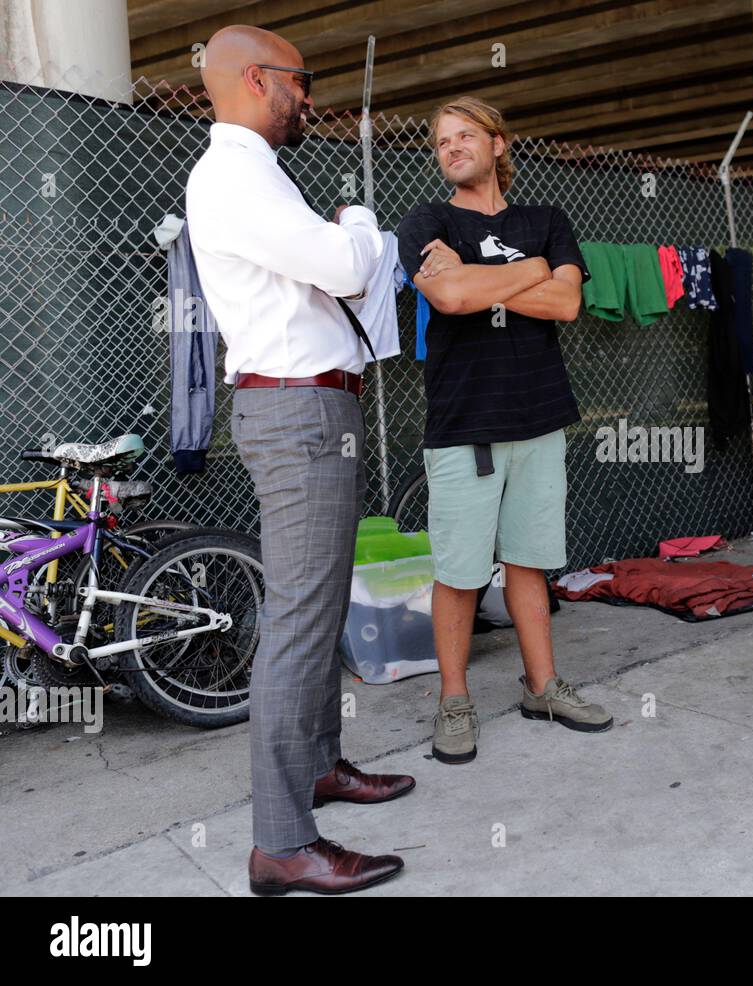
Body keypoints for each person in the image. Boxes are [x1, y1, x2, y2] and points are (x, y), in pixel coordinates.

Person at [187, 25, 413, 896]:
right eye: (301, 81)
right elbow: (341, 265)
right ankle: (281, 843)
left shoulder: (254, 174)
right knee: (299, 619)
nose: (309, 96)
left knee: (314, 603)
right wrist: (357, 221)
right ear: (255, 79)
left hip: (311, 406)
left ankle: (320, 765)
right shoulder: (234, 174)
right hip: (298, 410)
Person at [397, 96, 613, 765]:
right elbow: (451, 298)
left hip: (541, 419)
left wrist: (479, 278)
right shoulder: (426, 221)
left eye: (465, 135)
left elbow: (568, 302)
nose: (452, 147)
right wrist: (529, 271)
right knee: (460, 571)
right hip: (465, 424)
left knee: (530, 561)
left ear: (498, 143)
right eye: (441, 141)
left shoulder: (546, 218)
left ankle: (542, 685)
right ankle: (453, 699)